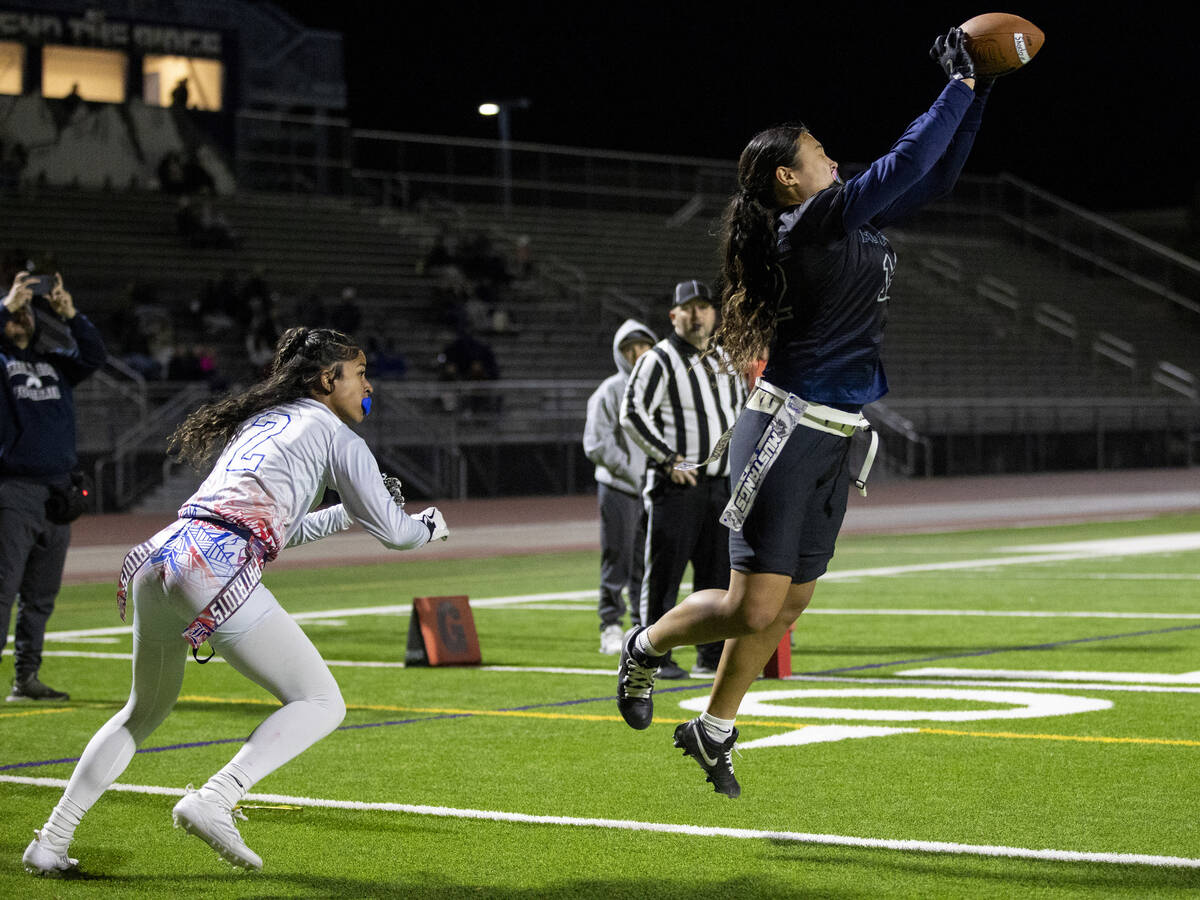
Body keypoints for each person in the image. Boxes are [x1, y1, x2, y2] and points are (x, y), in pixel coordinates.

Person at [616, 28, 993, 798]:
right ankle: (644, 645)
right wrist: (953, 87)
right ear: (789, 178)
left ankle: (713, 726)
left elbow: (937, 175)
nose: (834, 157)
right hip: (787, 427)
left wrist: (981, 88)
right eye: (819, 150)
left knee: (789, 605)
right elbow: (908, 161)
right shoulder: (809, 222)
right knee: (751, 602)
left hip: (837, 433)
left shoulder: (842, 219)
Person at [21, 326, 450, 875]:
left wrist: (346, 513)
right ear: (328, 378)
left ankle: (51, 841)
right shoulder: (340, 438)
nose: (369, 386)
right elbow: (396, 534)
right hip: (213, 569)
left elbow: (274, 530)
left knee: (141, 711)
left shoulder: (263, 423)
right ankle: (216, 797)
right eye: (360, 374)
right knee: (322, 703)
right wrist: (429, 526)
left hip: (161, 556)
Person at [620, 280, 747, 678]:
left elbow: (739, 414)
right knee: (665, 575)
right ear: (674, 315)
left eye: (704, 307)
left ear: (714, 313)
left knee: (717, 576)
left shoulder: (724, 357)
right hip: (678, 486)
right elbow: (632, 413)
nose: (697, 315)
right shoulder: (658, 359)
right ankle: (653, 657)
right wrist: (668, 458)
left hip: (721, 486)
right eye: (688, 308)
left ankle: (710, 655)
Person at [1, 270, 106, 702]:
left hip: (58, 494)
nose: (22, 318)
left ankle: (26, 679)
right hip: (14, 490)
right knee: (2, 590)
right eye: (15, 314)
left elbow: (94, 356)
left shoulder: (55, 362)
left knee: (40, 596)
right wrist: (4, 306)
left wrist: (71, 314)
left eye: (27, 313)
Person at [583, 318, 656, 654]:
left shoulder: (657, 387)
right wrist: (632, 472)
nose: (637, 354)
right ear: (620, 353)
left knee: (645, 561)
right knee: (618, 558)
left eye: (643, 346)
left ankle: (641, 625)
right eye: (630, 348)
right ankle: (610, 625)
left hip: (651, 488)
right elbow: (596, 443)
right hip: (620, 489)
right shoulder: (610, 391)